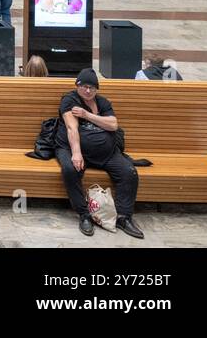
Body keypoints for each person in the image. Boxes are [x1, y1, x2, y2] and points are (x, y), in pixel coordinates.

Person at [54, 69, 142, 238]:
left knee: (128, 172)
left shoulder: (102, 103)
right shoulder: (69, 100)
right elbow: (72, 128)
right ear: (77, 85)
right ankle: (84, 215)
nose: (88, 90)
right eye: (85, 86)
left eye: (92, 88)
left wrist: (87, 115)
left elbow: (113, 125)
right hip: (73, 148)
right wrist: (77, 153)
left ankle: (124, 217)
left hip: (106, 153)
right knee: (71, 170)